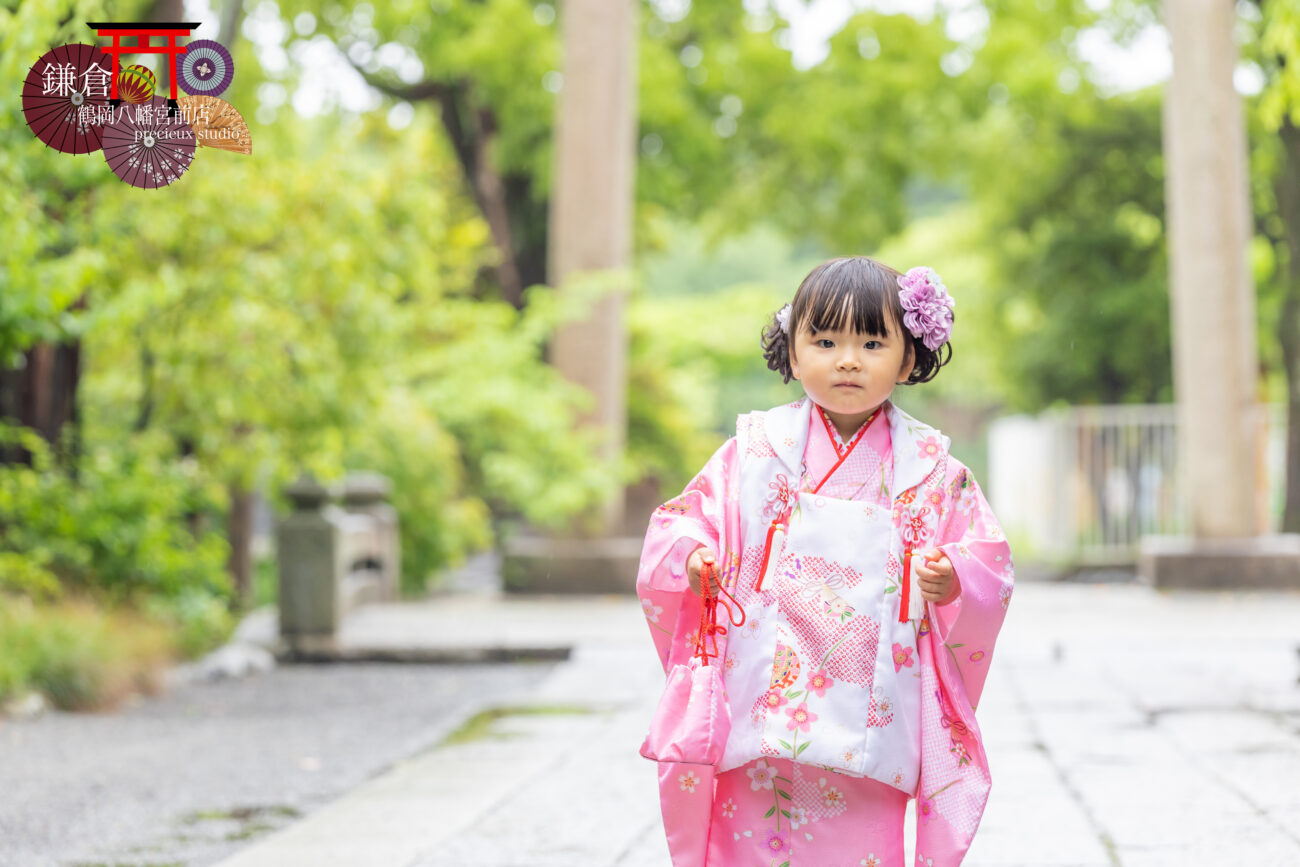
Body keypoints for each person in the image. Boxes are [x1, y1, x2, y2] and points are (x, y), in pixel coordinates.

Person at [636, 256, 1014, 866]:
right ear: (792, 350)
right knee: (758, 840)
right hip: (762, 700)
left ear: (909, 358)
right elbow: (685, 518)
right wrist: (693, 555)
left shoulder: (933, 470)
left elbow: (988, 561)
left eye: (871, 341)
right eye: (825, 339)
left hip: (877, 711)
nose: (847, 359)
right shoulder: (755, 451)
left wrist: (953, 577)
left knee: (861, 846)